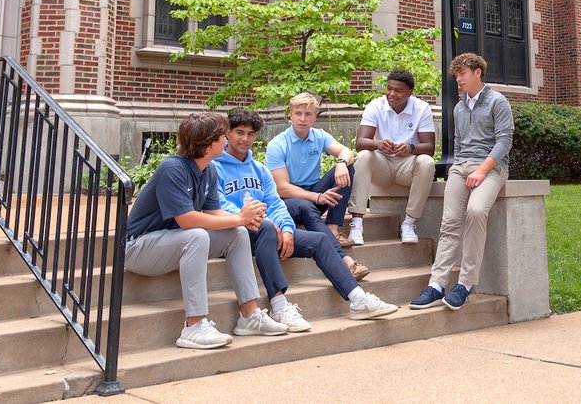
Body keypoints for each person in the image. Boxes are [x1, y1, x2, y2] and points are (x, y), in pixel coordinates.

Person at [214, 108, 398, 330]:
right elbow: (219, 205)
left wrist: (288, 229)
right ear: (227, 134)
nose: (245, 139)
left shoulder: (259, 169)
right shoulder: (215, 167)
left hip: (269, 231)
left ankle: (358, 299)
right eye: (239, 132)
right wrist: (269, 224)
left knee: (319, 240)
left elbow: (276, 203)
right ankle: (279, 305)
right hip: (238, 234)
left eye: (250, 134)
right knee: (267, 229)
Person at [124, 112, 288, 349]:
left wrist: (243, 220)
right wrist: (239, 217)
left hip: (173, 243)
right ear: (211, 143)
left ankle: (249, 316)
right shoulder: (173, 169)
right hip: (138, 248)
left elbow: (213, 212)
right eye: (224, 135)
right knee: (197, 235)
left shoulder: (209, 169)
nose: (227, 140)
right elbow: (187, 220)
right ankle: (194, 325)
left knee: (238, 233)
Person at [410, 53, 514, 311]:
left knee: (476, 211)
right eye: (456, 75)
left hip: (491, 167)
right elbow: (458, 142)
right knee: (449, 223)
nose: (458, 79)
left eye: (462, 74)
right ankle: (436, 285)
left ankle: (465, 284)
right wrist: (458, 166)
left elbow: (504, 142)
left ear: (478, 72)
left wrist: (481, 170)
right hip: (461, 167)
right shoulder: (458, 107)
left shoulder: (497, 102)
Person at [266, 92, 370, 280]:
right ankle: (345, 262)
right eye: (298, 113)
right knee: (306, 206)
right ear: (290, 115)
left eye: (308, 114)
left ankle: (332, 230)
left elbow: (346, 152)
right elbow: (281, 187)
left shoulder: (319, 136)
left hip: (315, 192)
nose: (303, 119)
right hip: (288, 200)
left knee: (348, 167)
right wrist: (316, 198)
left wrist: (340, 163)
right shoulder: (278, 144)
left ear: (315, 117)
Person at [351, 69, 437, 244]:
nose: (391, 94)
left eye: (398, 91)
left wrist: (410, 148)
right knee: (364, 156)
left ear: (409, 92)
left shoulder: (421, 108)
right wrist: (377, 144)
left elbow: (430, 147)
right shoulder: (375, 106)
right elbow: (360, 143)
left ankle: (409, 223)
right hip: (381, 166)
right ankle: (357, 224)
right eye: (389, 89)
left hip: (406, 166)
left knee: (426, 162)